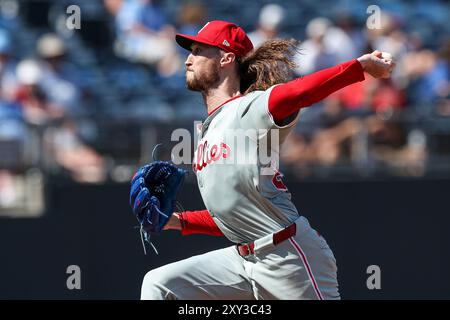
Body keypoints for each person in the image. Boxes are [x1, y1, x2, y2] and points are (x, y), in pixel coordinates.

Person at [139, 20, 395, 300]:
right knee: (159, 283)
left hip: (288, 257)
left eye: (199, 50)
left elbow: (299, 92)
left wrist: (359, 67)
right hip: (243, 262)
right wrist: (175, 221)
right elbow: (233, 215)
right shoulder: (209, 130)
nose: (189, 58)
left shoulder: (249, 108)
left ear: (226, 58)